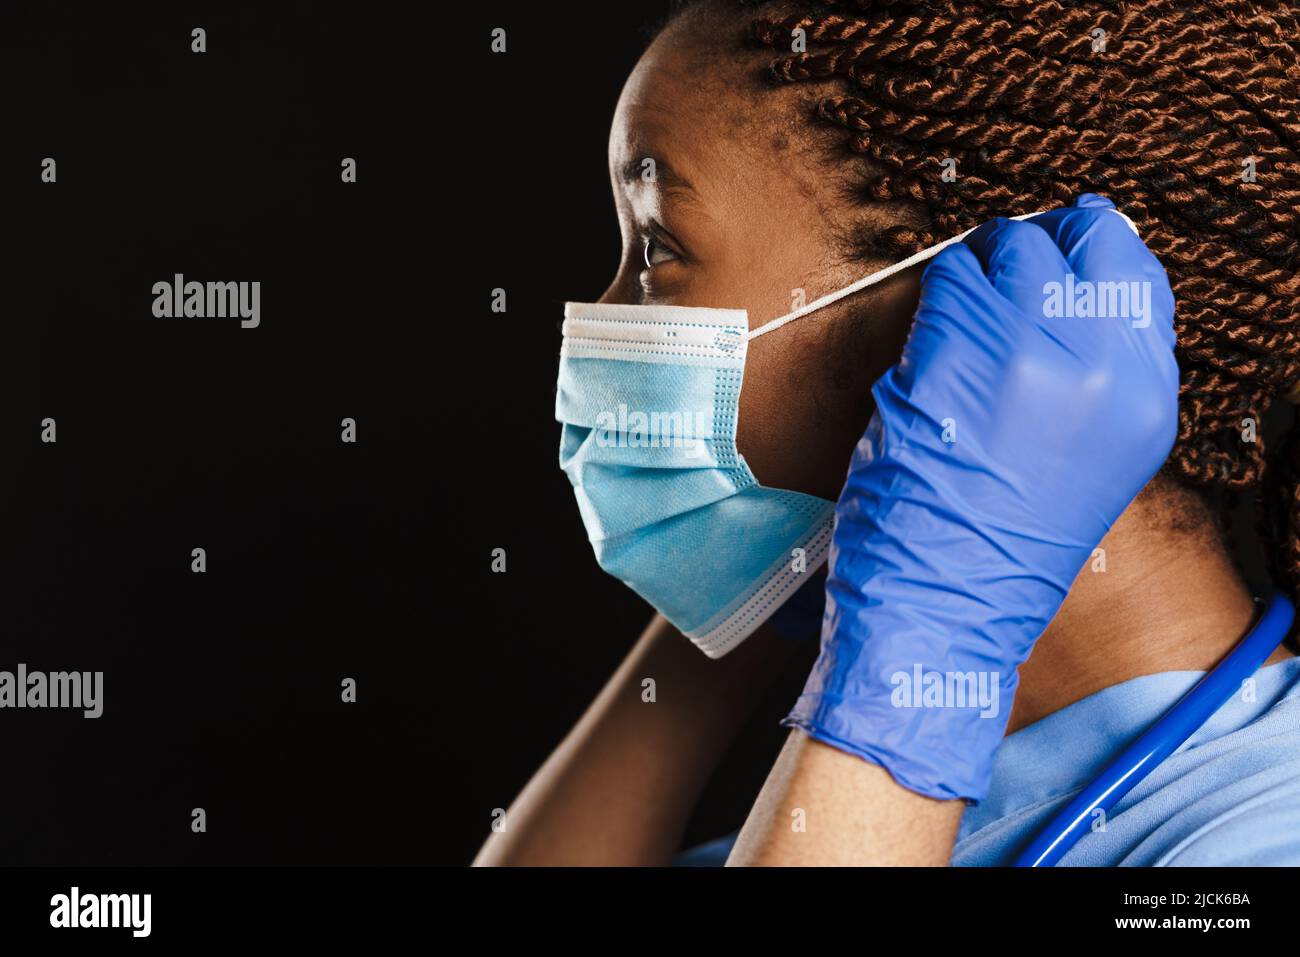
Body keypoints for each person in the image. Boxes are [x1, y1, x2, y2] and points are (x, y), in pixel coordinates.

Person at [474, 0, 1300, 866]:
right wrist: (746, 597)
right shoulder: (852, 801)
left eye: (656, 249)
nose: (602, 314)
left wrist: (925, 623)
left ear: (978, 296)